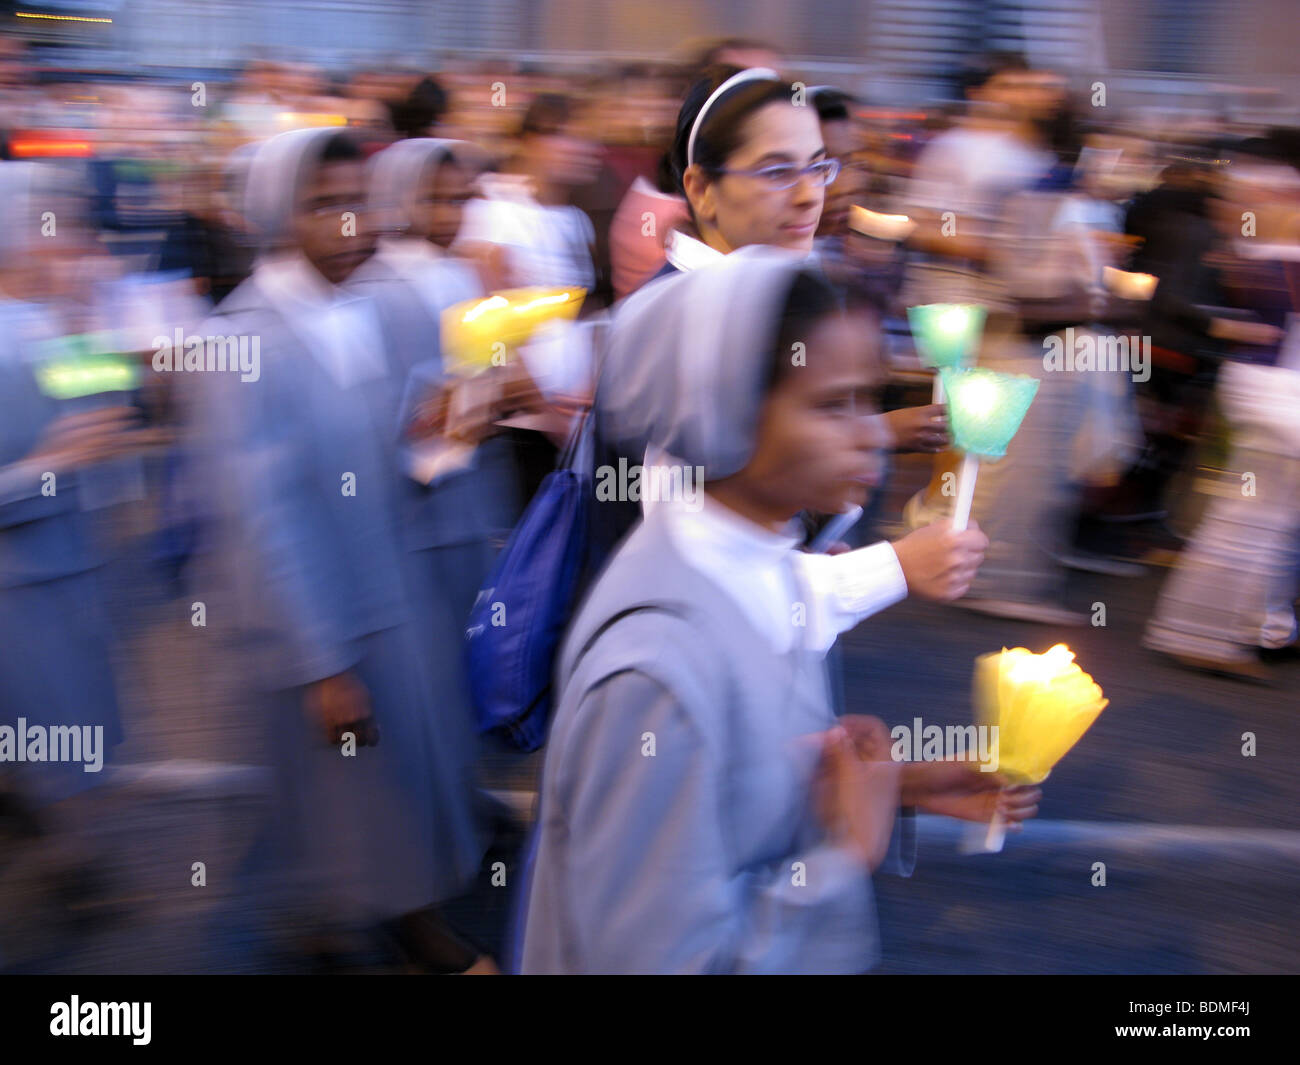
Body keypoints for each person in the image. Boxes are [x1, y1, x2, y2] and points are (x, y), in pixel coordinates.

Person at [519, 248, 1033, 974]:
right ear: (722, 408)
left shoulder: (761, 563)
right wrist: (843, 855)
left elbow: (722, 800)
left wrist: (893, 785)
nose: (868, 434)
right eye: (831, 403)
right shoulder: (652, 665)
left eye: (870, 397)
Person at [189, 127, 490, 972]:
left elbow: (394, 454)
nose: (351, 221)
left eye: (357, 199)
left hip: (396, 593)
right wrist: (321, 660)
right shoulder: (241, 338)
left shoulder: (372, 308)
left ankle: (382, 919)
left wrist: (439, 438)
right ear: (279, 215)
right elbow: (261, 515)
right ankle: (370, 928)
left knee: (396, 777)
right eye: (326, 204)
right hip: (323, 616)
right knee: (345, 790)